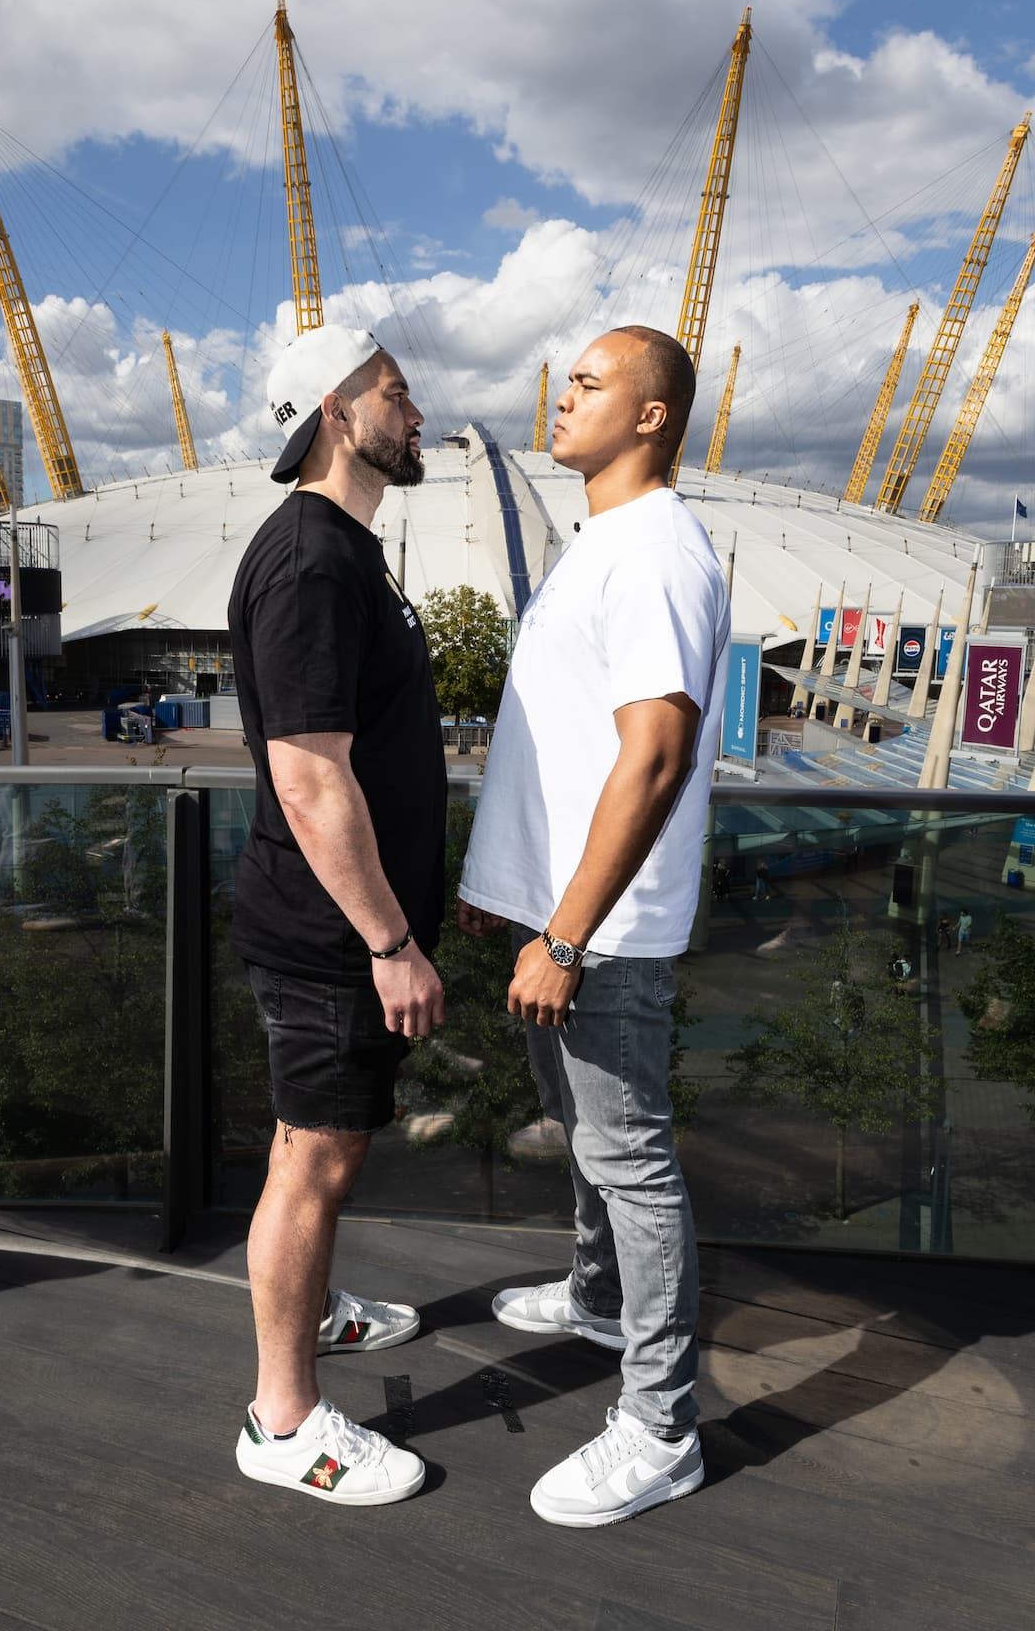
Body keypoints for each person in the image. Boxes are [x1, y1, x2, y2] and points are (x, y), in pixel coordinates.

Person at [458, 324, 730, 1528]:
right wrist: (506, 883)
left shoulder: (659, 550)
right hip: (554, 913)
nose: (559, 396)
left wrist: (564, 937)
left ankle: (661, 1426)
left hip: (602, 933)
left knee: (633, 1162)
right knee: (583, 1135)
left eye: (587, 382)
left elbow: (655, 752)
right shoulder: (600, 542)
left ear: (653, 416)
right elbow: (560, 743)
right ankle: (600, 1301)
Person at [227, 323, 446, 1507]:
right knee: (316, 1157)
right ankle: (283, 1419)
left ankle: (312, 1307)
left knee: (314, 1151)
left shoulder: (344, 550)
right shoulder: (314, 562)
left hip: (337, 933)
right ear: (335, 408)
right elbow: (311, 778)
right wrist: (391, 943)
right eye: (397, 395)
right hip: (331, 941)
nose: (416, 416)